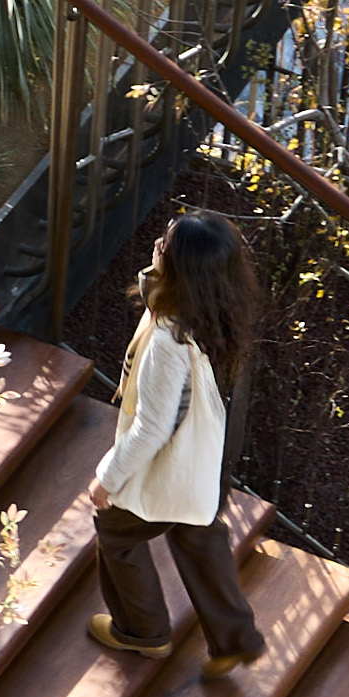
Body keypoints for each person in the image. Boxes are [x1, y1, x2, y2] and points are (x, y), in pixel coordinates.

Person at [86, 207, 265, 666]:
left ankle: (141, 630)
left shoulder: (169, 341)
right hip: (212, 457)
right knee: (198, 533)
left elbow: (153, 426)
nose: (156, 247)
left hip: (178, 465)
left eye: (164, 246)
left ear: (181, 270)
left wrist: (108, 477)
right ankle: (235, 640)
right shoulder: (219, 312)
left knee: (115, 531)